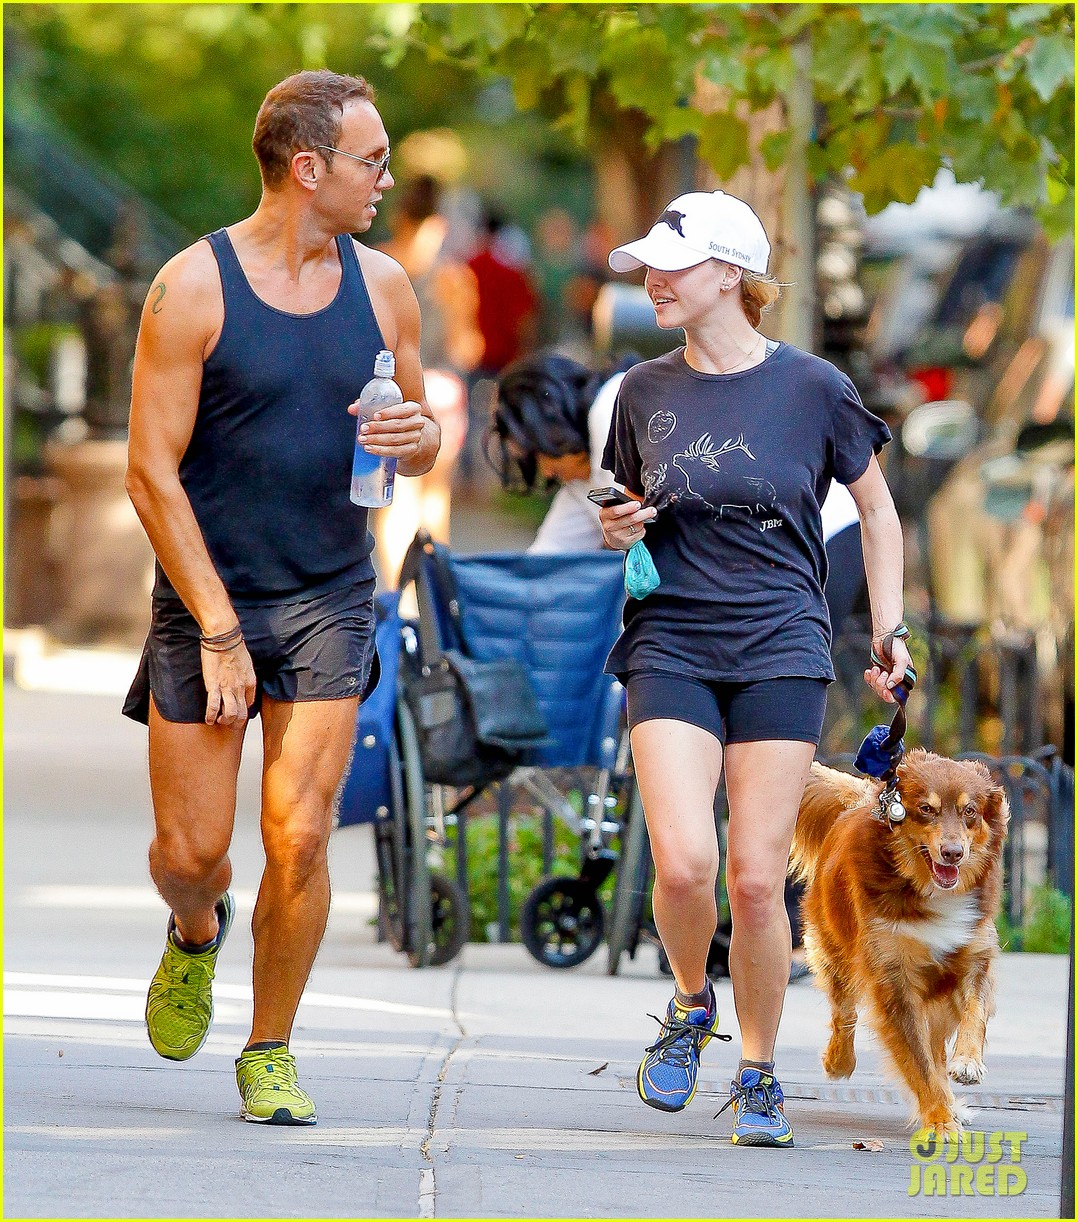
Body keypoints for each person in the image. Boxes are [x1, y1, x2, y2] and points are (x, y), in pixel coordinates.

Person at [122, 69, 441, 1125]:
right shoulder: (192, 287)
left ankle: (270, 1047)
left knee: (300, 834)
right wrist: (215, 627)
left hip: (330, 594)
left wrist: (419, 438)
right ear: (309, 169)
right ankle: (193, 934)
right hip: (207, 598)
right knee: (193, 855)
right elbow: (149, 473)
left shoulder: (385, 285)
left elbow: (426, 430)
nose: (387, 178)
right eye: (371, 160)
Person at [598, 190, 911, 1148]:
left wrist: (888, 631)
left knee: (752, 873)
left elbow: (880, 512)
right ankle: (693, 1002)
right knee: (686, 863)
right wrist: (618, 525)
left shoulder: (813, 387)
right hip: (672, 639)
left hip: (780, 644)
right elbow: (622, 507)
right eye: (647, 264)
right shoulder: (642, 391)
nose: (652, 278)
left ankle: (761, 1068)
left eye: (671, 264)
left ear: (729, 275)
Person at [489, 352, 629, 553]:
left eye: (538, 454)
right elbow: (547, 559)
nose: (546, 472)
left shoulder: (613, 405)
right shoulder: (582, 485)